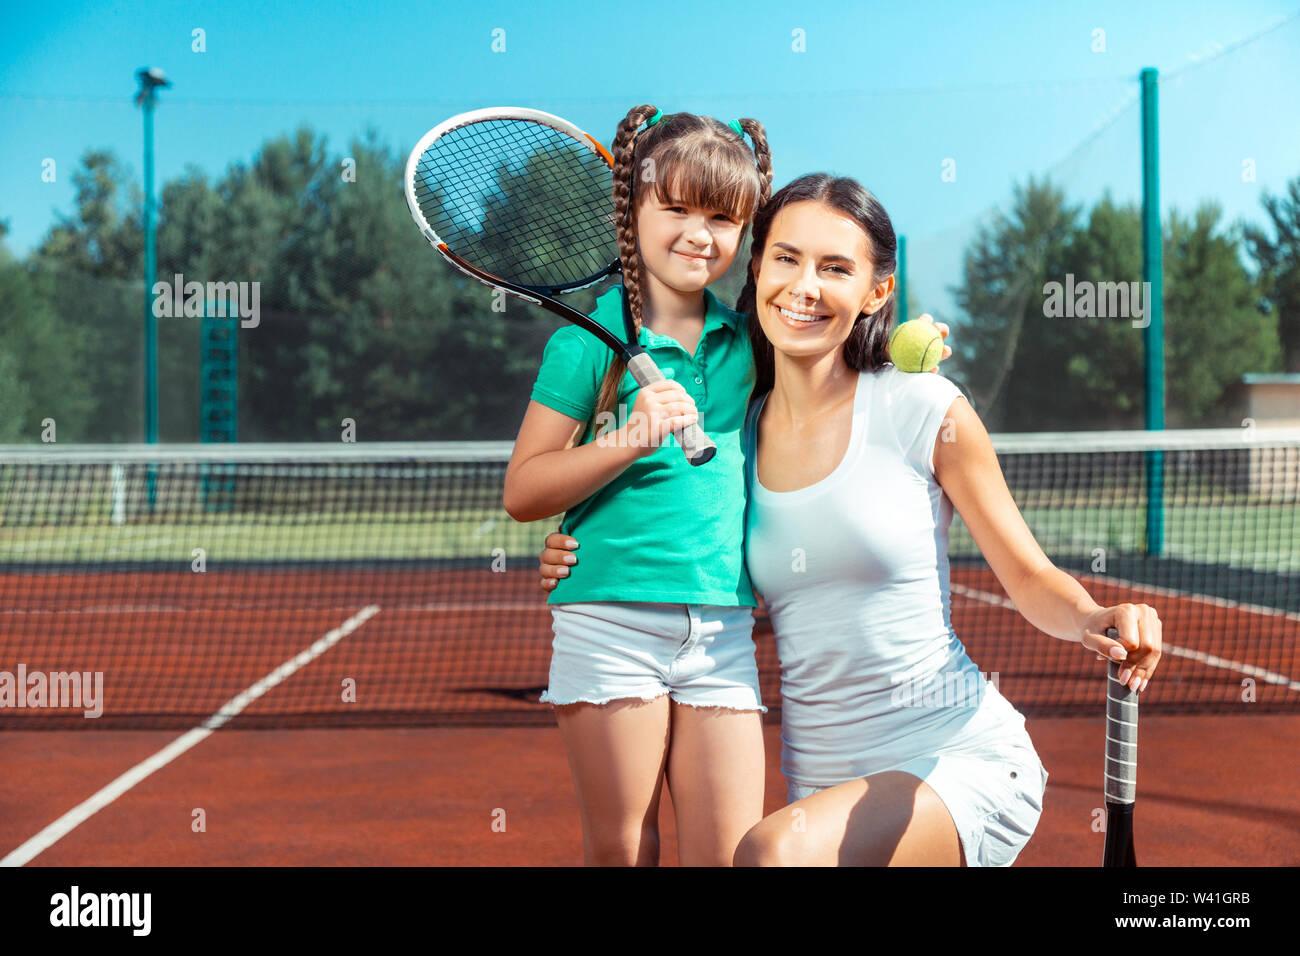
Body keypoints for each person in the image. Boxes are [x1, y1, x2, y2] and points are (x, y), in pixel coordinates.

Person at [537, 173, 1162, 866]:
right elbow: (669, 530)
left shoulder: (924, 408)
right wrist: (574, 546)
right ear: (757, 268)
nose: (804, 286)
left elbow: (1028, 573)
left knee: (765, 855)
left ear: (876, 292)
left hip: (955, 759)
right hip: (824, 789)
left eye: (835, 268)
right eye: (786, 258)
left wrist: (1090, 616)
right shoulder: (733, 438)